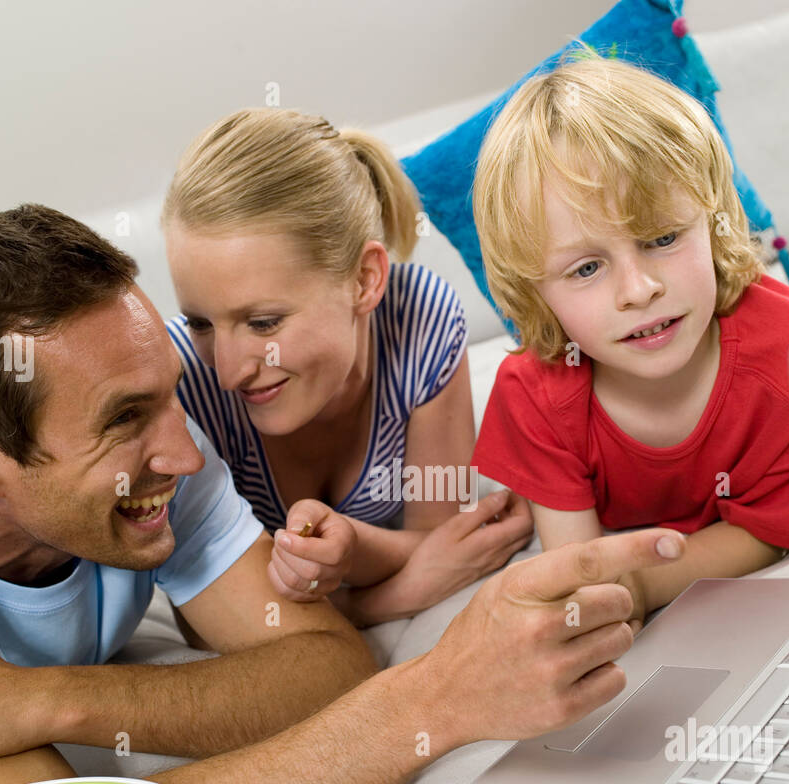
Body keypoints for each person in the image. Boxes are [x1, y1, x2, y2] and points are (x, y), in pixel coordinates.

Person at [0, 204, 689, 784]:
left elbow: (322, 663)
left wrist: (33, 700)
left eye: (170, 391)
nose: (184, 449)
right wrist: (441, 695)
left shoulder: (157, 446)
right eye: (127, 420)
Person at [470, 56, 789, 621]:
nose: (638, 291)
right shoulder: (535, 395)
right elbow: (583, 578)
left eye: (662, 237)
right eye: (586, 269)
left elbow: (772, 531)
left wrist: (641, 585)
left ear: (713, 223)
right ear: (536, 293)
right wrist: (611, 595)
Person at [161, 108, 532, 627]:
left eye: (264, 322)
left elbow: (439, 537)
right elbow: (213, 624)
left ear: (364, 280)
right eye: (201, 323)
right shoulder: (182, 381)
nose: (227, 372)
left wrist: (349, 546)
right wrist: (386, 598)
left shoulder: (420, 319)